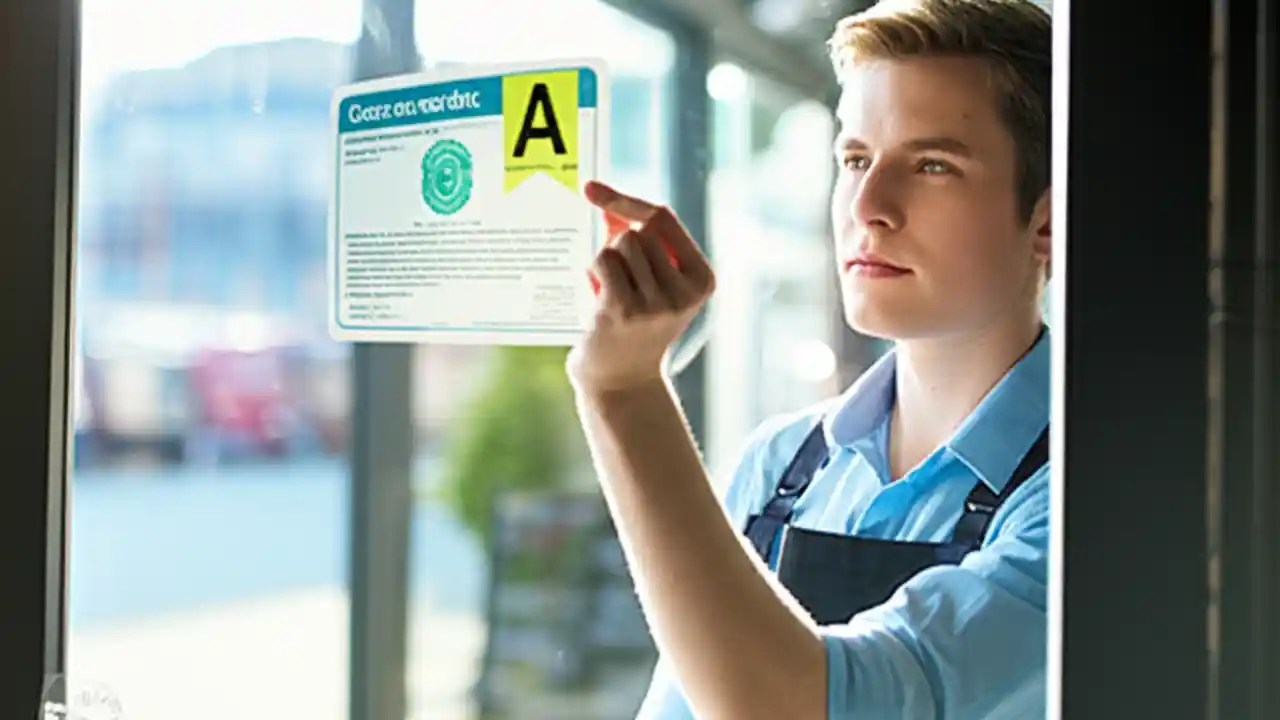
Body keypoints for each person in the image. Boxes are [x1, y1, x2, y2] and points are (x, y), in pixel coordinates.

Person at [565, 0, 1052, 717]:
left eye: (932, 164)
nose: (869, 205)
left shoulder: (1078, 502)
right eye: (854, 158)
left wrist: (625, 394)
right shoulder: (782, 464)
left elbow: (808, 704)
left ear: (1047, 223)